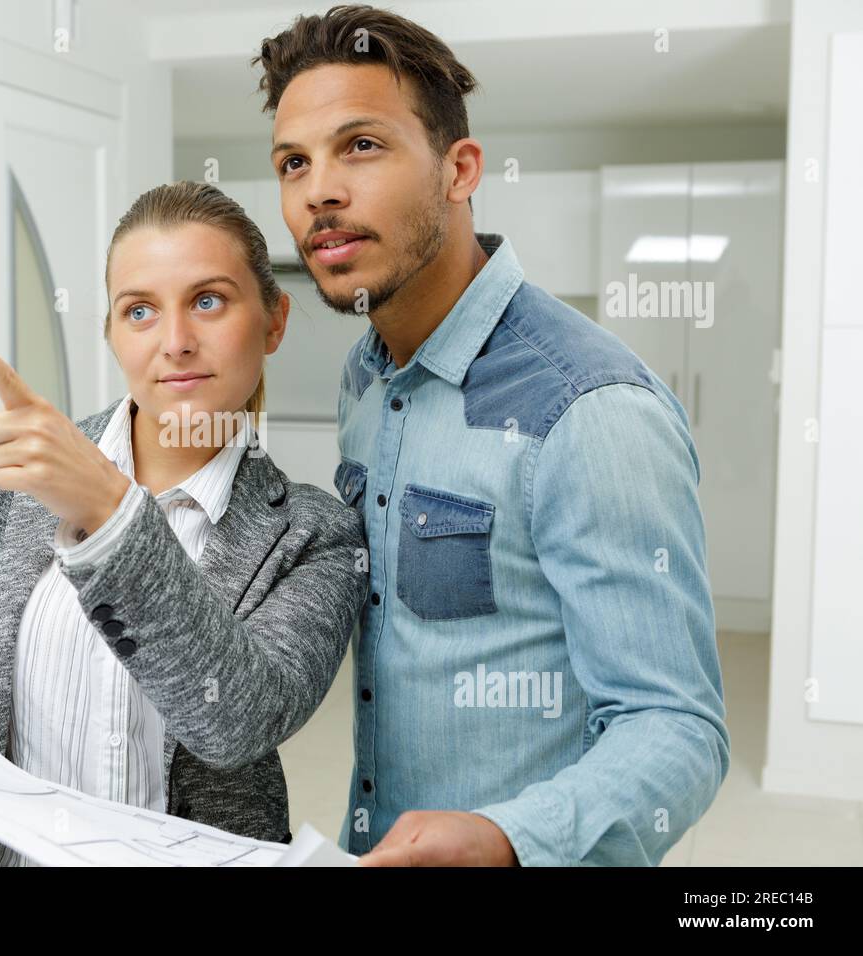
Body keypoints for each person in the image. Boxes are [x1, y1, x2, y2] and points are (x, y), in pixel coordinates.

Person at [0, 180, 369, 865]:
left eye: (208, 301)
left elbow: (235, 723)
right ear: (111, 333)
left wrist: (111, 514)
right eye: (139, 311)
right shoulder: (7, 476)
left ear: (274, 320)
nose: (176, 342)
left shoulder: (318, 536)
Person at [252, 4, 730, 865]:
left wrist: (513, 838)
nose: (319, 188)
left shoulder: (588, 407)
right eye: (294, 162)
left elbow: (675, 726)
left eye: (361, 145)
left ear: (459, 168)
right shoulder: (365, 375)